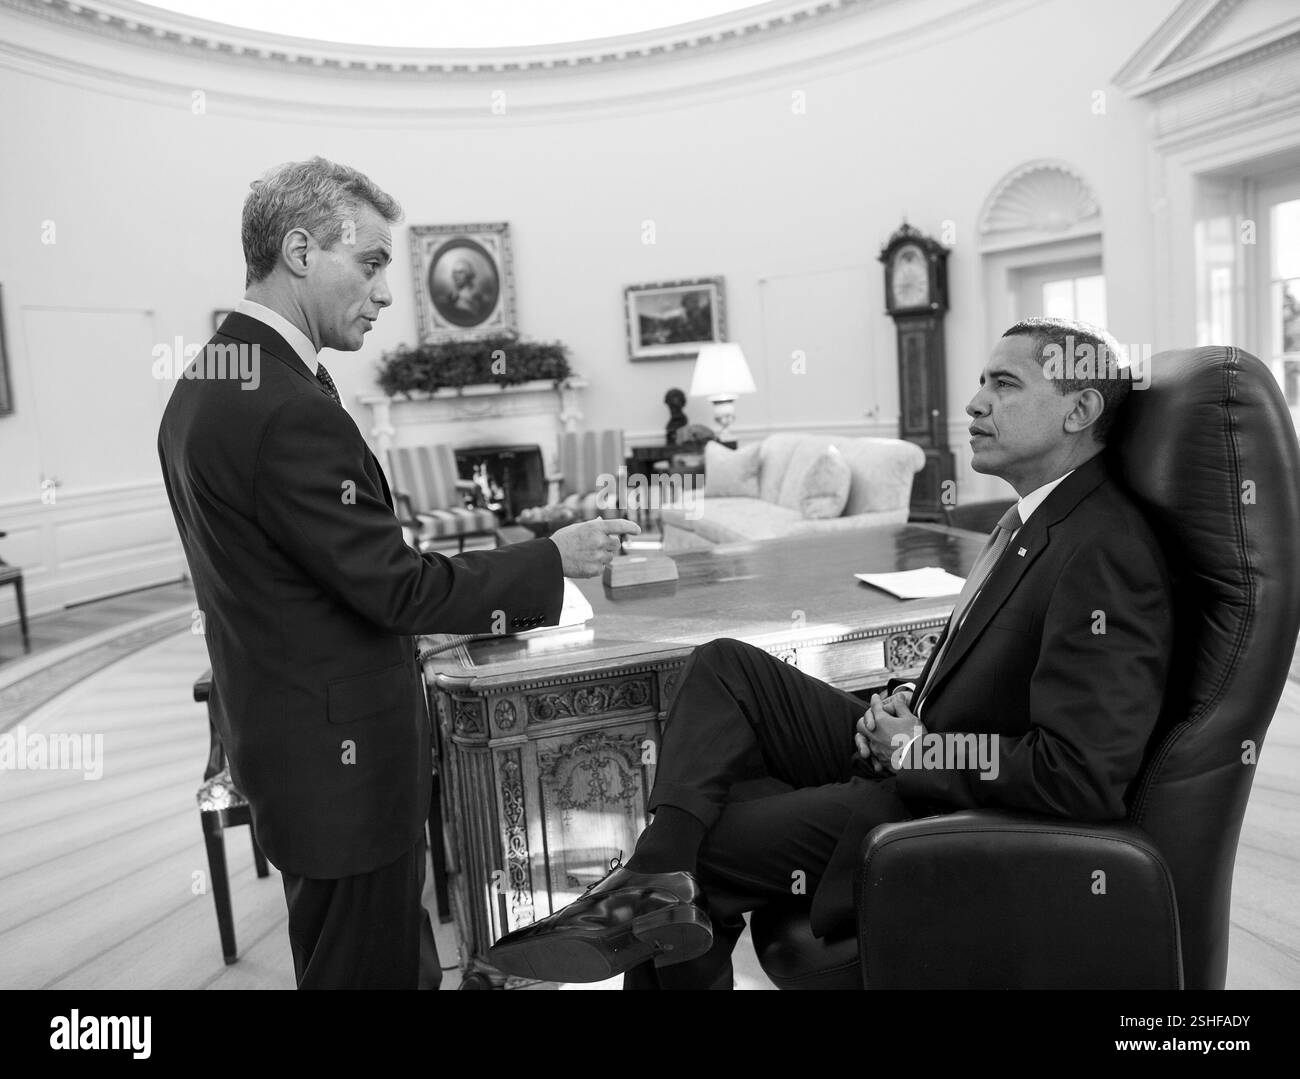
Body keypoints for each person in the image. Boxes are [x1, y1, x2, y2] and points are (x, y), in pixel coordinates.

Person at [488, 317, 1174, 989]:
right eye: (981, 382)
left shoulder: (1105, 551)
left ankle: (652, 886)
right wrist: (909, 703)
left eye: (1005, 384)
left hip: (944, 809)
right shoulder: (1032, 515)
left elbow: (1080, 773)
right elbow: (996, 676)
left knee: (712, 840)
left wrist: (918, 750)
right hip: (916, 752)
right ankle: (653, 876)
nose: (974, 401)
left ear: (1079, 408)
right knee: (726, 665)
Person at [157, 156, 637, 989]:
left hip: (290, 745)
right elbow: (398, 589)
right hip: (337, 765)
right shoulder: (281, 404)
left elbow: (319, 568)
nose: (386, 293)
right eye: (373, 263)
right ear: (301, 252)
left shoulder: (209, 379)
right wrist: (551, 560)